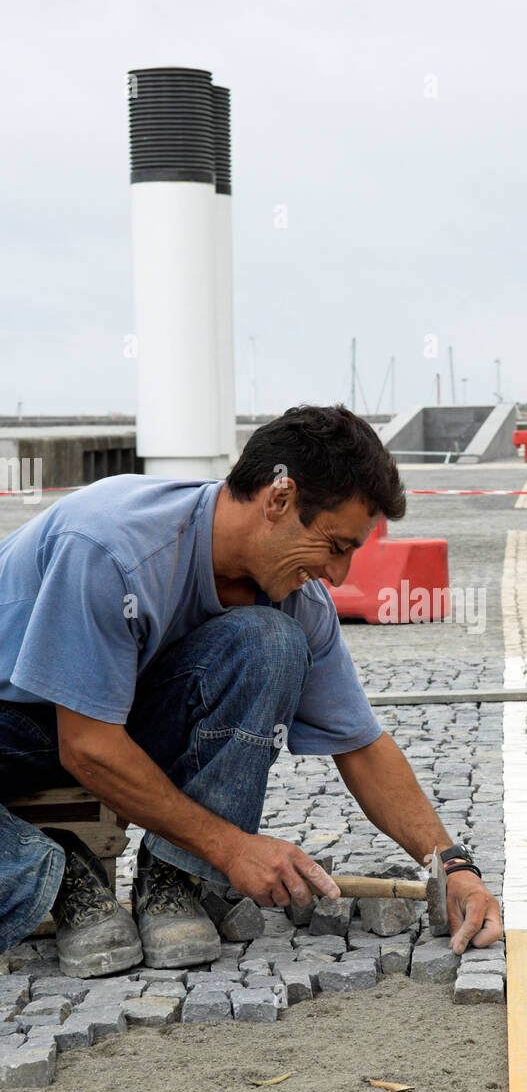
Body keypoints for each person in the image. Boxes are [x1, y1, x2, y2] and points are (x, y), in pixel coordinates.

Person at [0, 405, 501, 976]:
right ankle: (55, 874)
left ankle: (175, 877)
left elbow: (359, 744)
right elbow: (85, 745)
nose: (339, 577)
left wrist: (453, 865)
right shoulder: (110, 547)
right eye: (336, 546)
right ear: (279, 500)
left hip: (105, 724)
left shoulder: (295, 596)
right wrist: (234, 848)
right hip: (17, 722)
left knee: (271, 641)